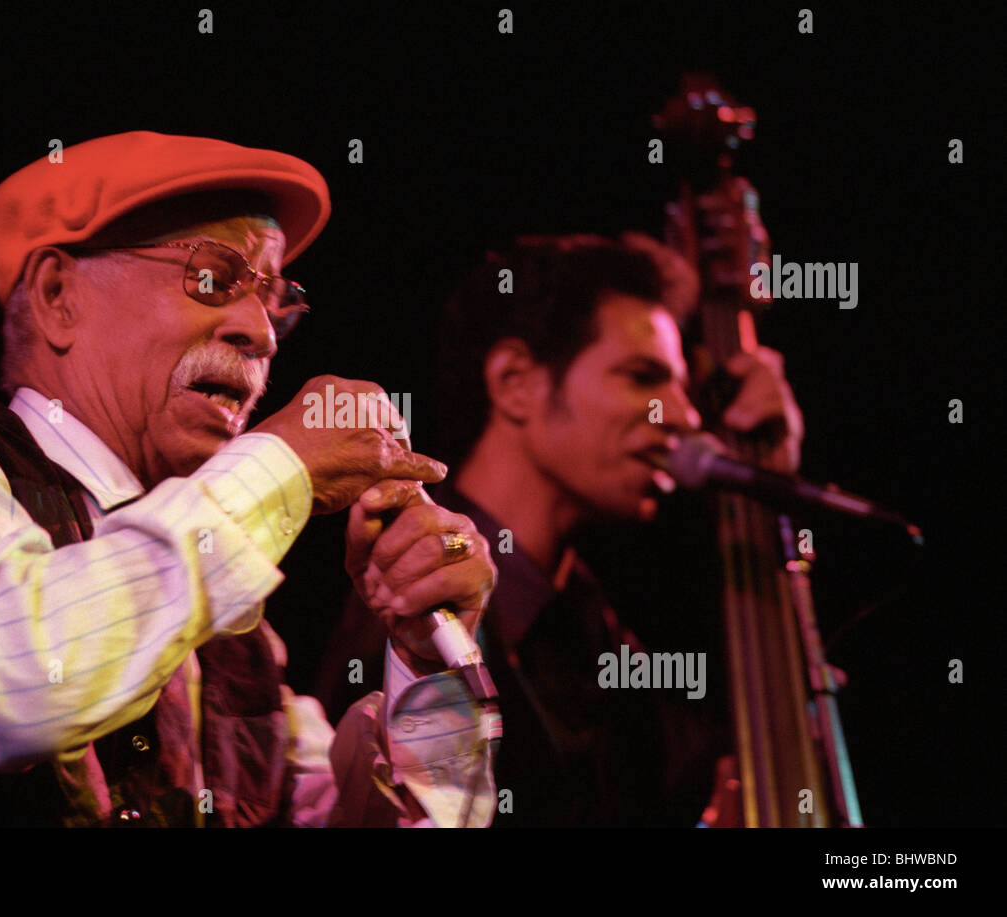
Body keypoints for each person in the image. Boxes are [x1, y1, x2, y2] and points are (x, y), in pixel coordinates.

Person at [0, 131, 497, 828]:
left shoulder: (235, 637)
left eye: (274, 299)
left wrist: (425, 666)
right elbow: (12, 682)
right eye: (213, 276)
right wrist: (285, 461)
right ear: (57, 296)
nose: (261, 332)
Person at [317, 227, 804, 827]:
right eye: (644, 377)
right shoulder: (409, 585)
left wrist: (767, 488)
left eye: (680, 384)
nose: (685, 415)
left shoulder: (589, 624)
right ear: (515, 383)